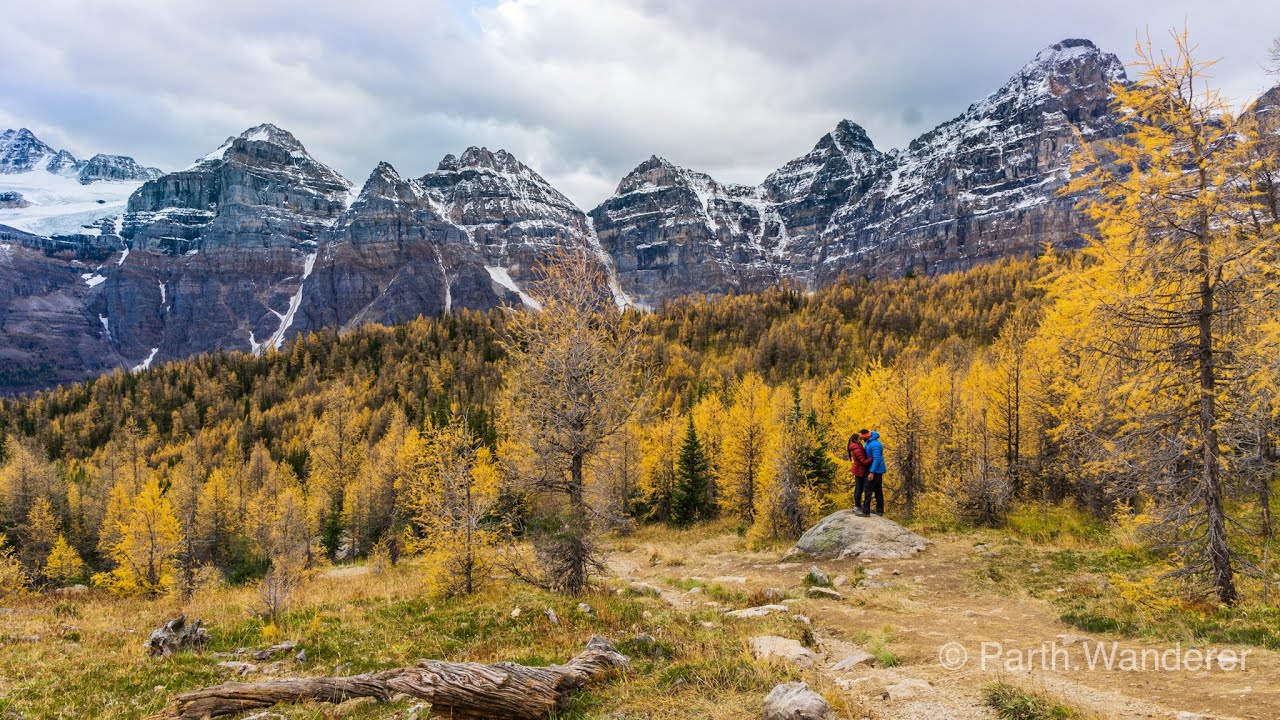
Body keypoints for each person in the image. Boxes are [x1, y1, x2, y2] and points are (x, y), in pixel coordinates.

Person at [860, 430, 886, 516]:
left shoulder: (875, 444)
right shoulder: (869, 442)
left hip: (875, 470)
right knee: (878, 490)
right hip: (876, 469)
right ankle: (879, 510)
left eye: (862, 437)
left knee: (868, 489)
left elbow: (877, 459)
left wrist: (872, 472)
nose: (861, 438)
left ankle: (866, 511)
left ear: (867, 436)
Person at [847, 429, 871, 515]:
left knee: (859, 488)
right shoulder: (857, 449)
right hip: (860, 470)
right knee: (859, 489)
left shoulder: (857, 446)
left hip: (859, 469)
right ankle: (857, 506)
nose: (860, 439)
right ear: (855, 440)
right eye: (859, 438)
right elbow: (863, 461)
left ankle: (857, 506)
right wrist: (872, 458)